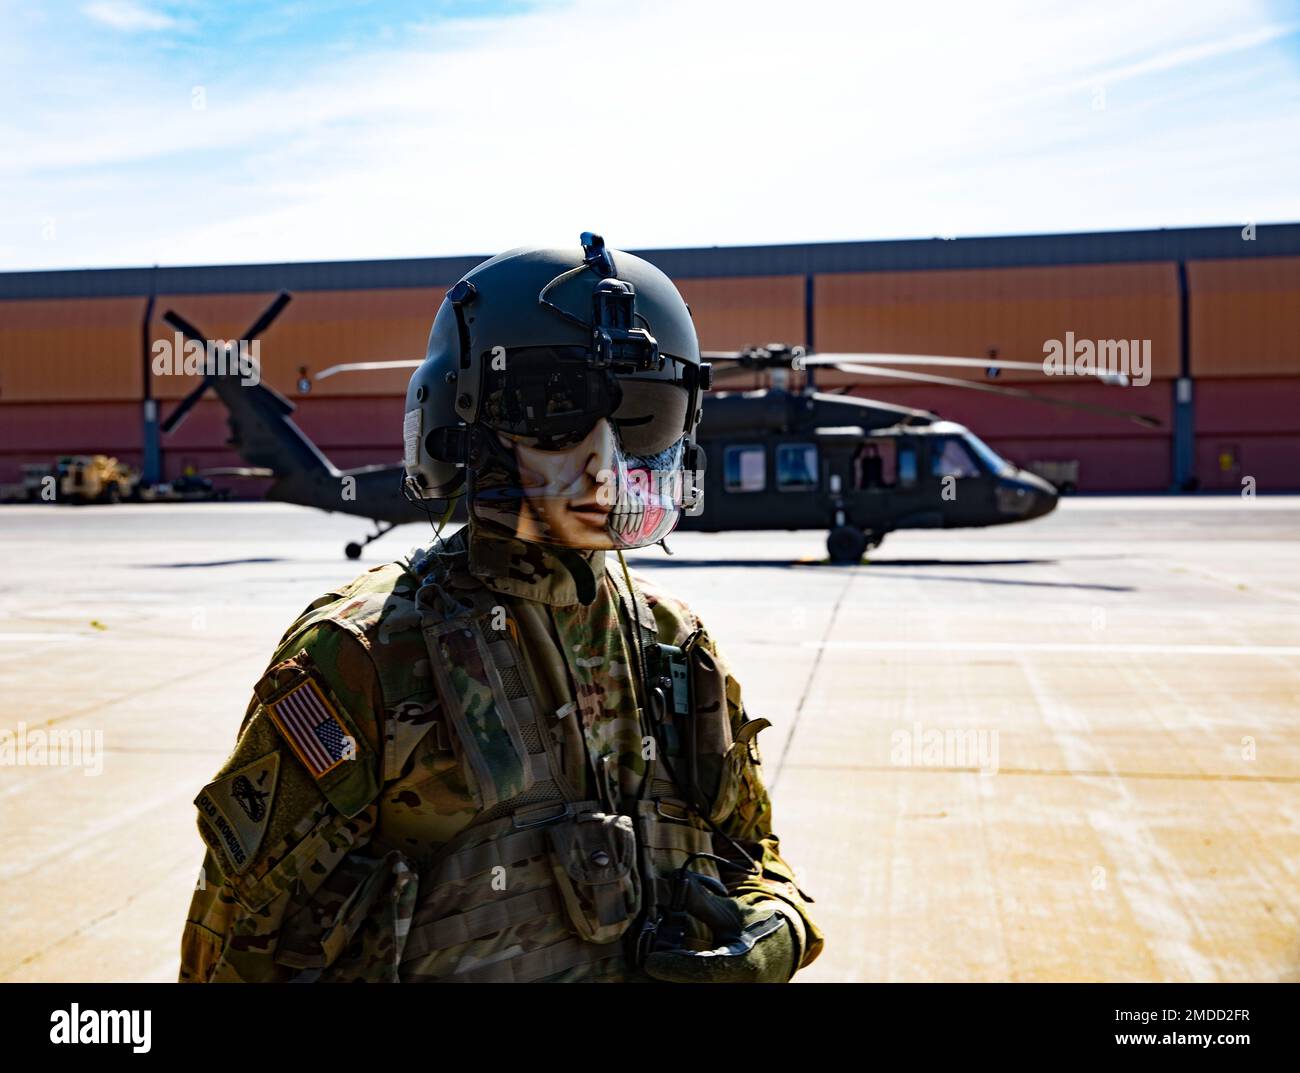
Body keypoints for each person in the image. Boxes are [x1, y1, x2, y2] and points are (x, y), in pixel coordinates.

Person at [179, 234, 823, 983]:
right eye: (553, 411)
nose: (601, 461)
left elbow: (754, 855)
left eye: (644, 413)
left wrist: (775, 931)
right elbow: (234, 941)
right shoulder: (363, 654)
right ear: (462, 423)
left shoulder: (674, 644)